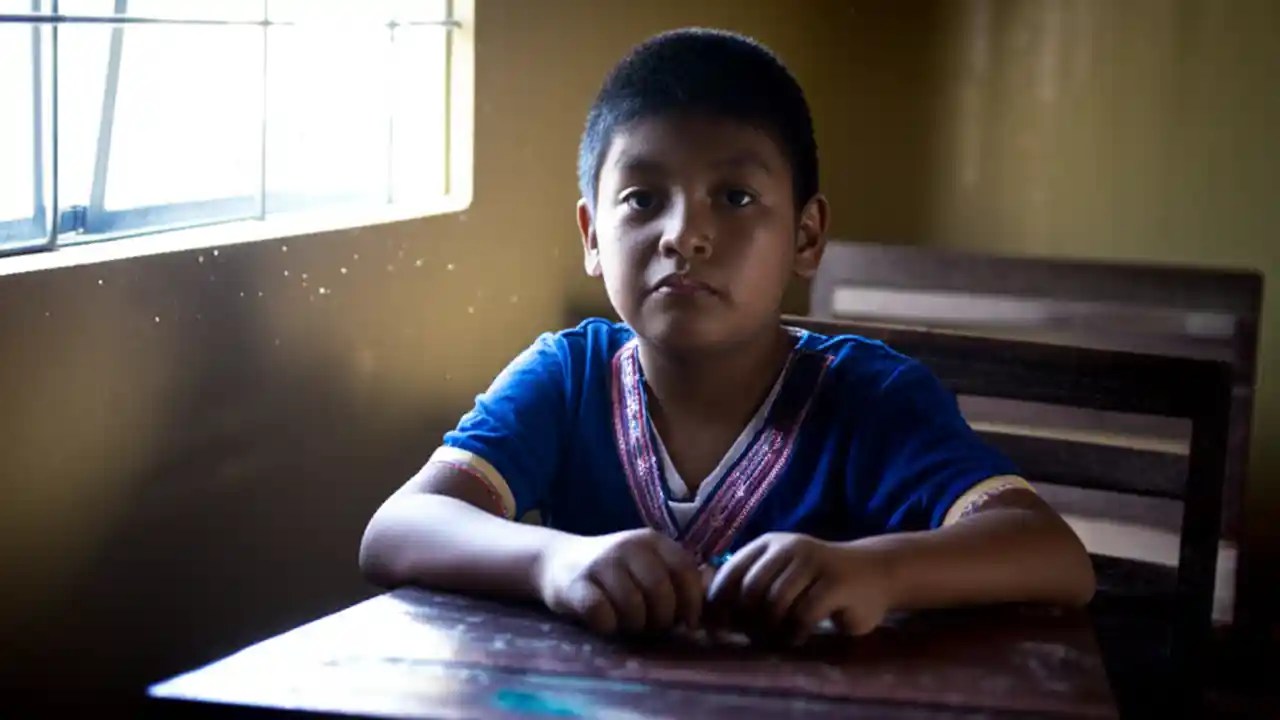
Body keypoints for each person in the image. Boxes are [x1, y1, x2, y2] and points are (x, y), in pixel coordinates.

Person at [360, 28, 1095, 645]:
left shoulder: (869, 398)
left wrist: (873, 572)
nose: (684, 236)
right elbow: (397, 529)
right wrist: (555, 564)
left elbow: (1055, 556)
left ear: (806, 237)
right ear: (591, 234)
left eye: (736, 198)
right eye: (643, 199)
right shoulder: (567, 377)